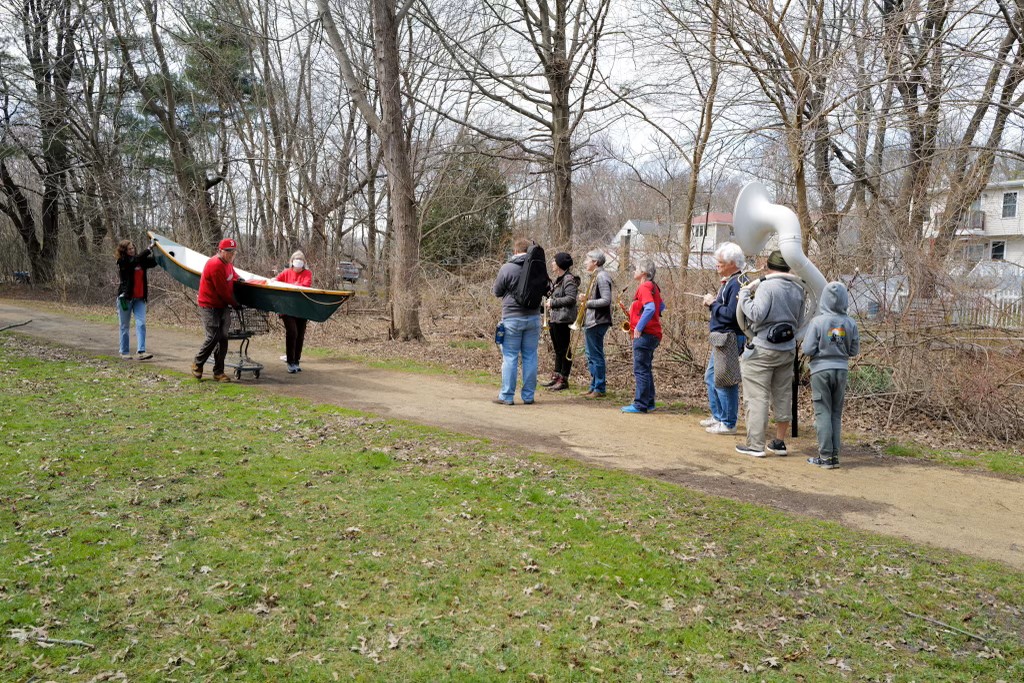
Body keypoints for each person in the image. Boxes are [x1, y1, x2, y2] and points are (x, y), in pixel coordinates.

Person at [735, 250, 806, 457]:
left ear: (768, 266)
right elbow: (800, 321)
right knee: (783, 396)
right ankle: (779, 442)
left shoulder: (766, 286)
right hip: (787, 350)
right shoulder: (798, 288)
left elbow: (756, 314)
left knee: (757, 397)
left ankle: (755, 445)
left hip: (763, 350)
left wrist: (744, 296)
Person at [802, 281, 860, 469]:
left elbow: (807, 349)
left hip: (820, 371)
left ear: (824, 299)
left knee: (823, 412)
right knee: (835, 413)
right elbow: (854, 351)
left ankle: (825, 456)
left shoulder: (817, 322)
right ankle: (834, 456)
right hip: (841, 371)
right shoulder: (850, 323)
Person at [492, 238, 546, 405]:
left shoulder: (507, 268)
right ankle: (528, 396)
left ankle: (507, 396)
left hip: (512, 318)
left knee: (510, 357)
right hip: (534, 318)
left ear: (515, 251)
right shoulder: (538, 267)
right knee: (530, 356)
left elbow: (497, 291)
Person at [701, 242, 747, 434]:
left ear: (732, 263)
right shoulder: (731, 282)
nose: (717, 265)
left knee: (724, 379)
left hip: (729, 338)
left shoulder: (737, 283)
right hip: (722, 338)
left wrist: (713, 304)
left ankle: (728, 423)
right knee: (711, 377)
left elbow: (731, 314)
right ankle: (719, 416)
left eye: (720, 261)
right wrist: (714, 303)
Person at [192, 238, 242, 382]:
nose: (231, 255)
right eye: (228, 252)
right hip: (210, 305)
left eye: (233, 252)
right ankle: (197, 363)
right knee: (213, 336)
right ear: (220, 251)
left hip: (222, 305)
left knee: (223, 338)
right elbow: (222, 291)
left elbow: (232, 274)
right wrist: (235, 304)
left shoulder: (228, 263)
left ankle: (219, 372)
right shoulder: (215, 264)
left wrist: (239, 279)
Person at [621, 261, 665, 413]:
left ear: (644, 273)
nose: (634, 271)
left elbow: (651, 308)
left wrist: (639, 327)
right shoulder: (654, 287)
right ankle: (649, 402)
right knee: (646, 368)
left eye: (637, 269)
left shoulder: (644, 286)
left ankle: (640, 404)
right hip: (654, 334)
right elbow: (661, 306)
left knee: (640, 369)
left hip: (645, 334)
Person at [115, 239, 157, 361]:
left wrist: (158, 250)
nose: (132, 250)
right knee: (124, 326)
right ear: (124, 251)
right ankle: (124, 352)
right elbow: (134, 261)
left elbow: (154, 262)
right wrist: (149, 248)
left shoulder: (140, 261)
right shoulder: (122, 262)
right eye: (129, 249)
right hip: (125, 299)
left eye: (133, 248)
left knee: (141, 323)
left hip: (139, 299)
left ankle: (141, 351)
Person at [541, 252, 578, 392]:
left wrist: (553, 302)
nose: (552, 263)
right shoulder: (559, 279)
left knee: (564, 349)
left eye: (554, 261)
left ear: (560, 264)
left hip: (563, 319)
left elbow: (571, 298)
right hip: (555, 318)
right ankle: (556, 376)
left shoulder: (568, 279)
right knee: (557, 349)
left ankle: (564, 379)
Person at [580, 249, 614, 398]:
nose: (585, 263)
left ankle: (599, 388)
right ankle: (594, 386)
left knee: (596, 355)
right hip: (592, 321)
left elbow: (606, 300)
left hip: (597, 321)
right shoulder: (596, 276)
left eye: (587, 260)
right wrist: (586, 298)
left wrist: (587, 303)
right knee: (591, 355)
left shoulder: (602, 276)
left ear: (595, 262)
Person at [274, 250, 313, 373]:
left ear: (304, 262)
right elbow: (276, 281)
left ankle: (296, 361)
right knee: (292, 332)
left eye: (301, 260)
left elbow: (305, 285)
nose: (298, 262)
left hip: (301, 309)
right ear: (291, 261)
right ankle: (290, 361)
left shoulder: (307, 273)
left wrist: (295, 285)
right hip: (287, 308)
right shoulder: (286, 272)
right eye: (296, 259)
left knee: (300, 335)